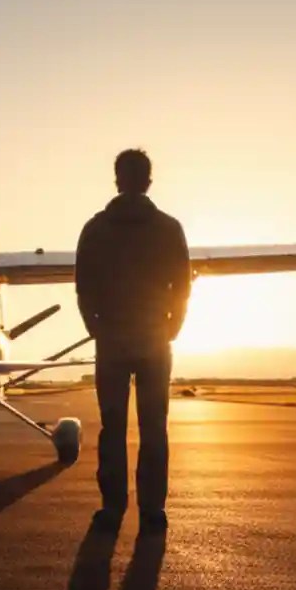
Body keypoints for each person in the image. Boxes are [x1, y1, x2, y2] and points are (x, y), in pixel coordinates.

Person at [75, 148, 190, 534]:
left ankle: (112, 506)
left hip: (111, 341)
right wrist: (172, 327)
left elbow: (83, 286)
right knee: (154, 426)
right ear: (148, 182)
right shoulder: (170, 228)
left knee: (113, 426)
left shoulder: (94, 229)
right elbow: (183, 286)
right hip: (155, 340)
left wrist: (97, 328)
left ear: (117, 180)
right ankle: (153, 509)